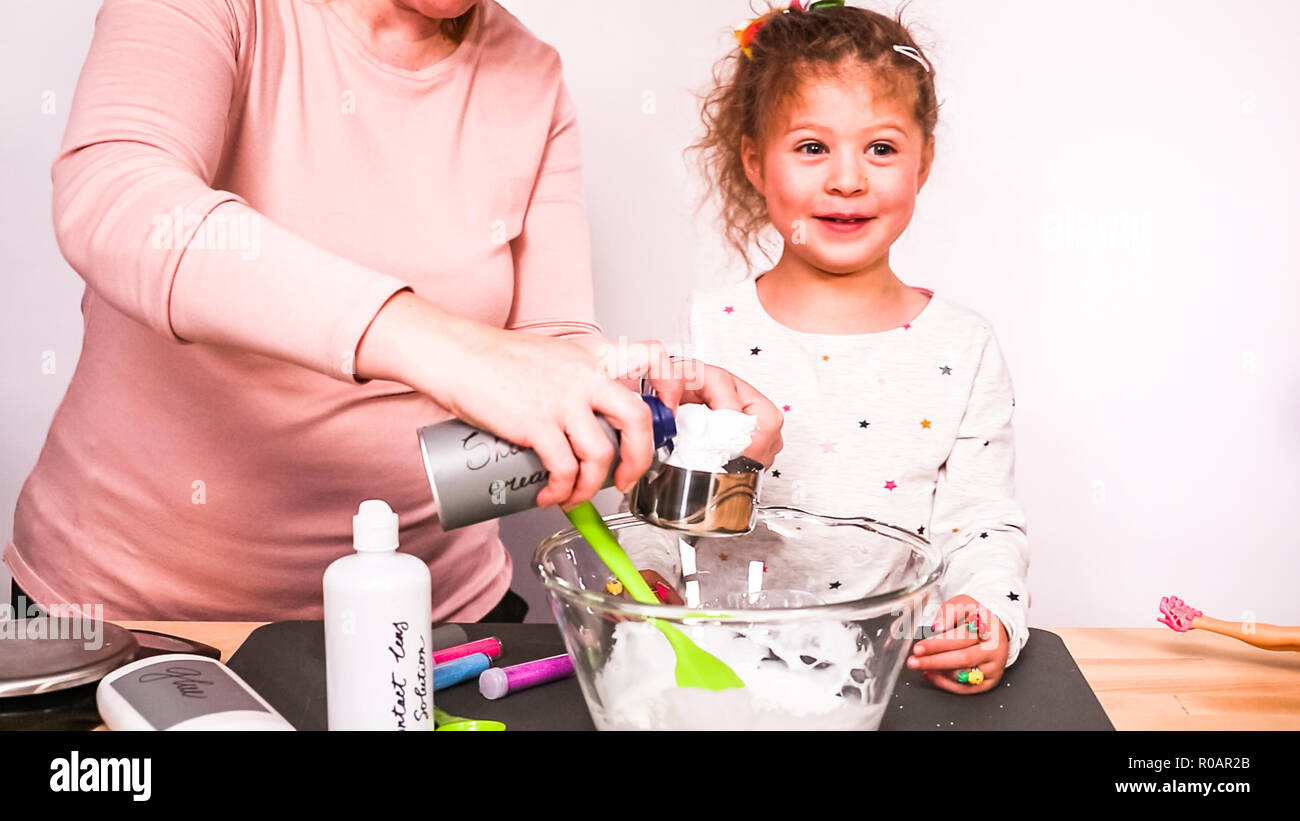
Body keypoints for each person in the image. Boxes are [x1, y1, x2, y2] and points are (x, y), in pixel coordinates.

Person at [4, 0, 781, 623]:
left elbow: (548, 350)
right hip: (128, 618)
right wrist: (438, 343)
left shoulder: (531, 77)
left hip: (437, 623)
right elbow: (117, 195)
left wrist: (640, 386)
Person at [632, 1, 1029, 694]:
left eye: (880, 148)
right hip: (724, 675)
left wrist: (986, 611)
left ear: (923, 161)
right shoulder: (710, 326)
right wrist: (646, 579)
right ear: (756, 161)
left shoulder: (962, 346)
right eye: (813, 147)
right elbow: (656, 509)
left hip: (889, 679)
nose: (848, 179)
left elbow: (980, 525)